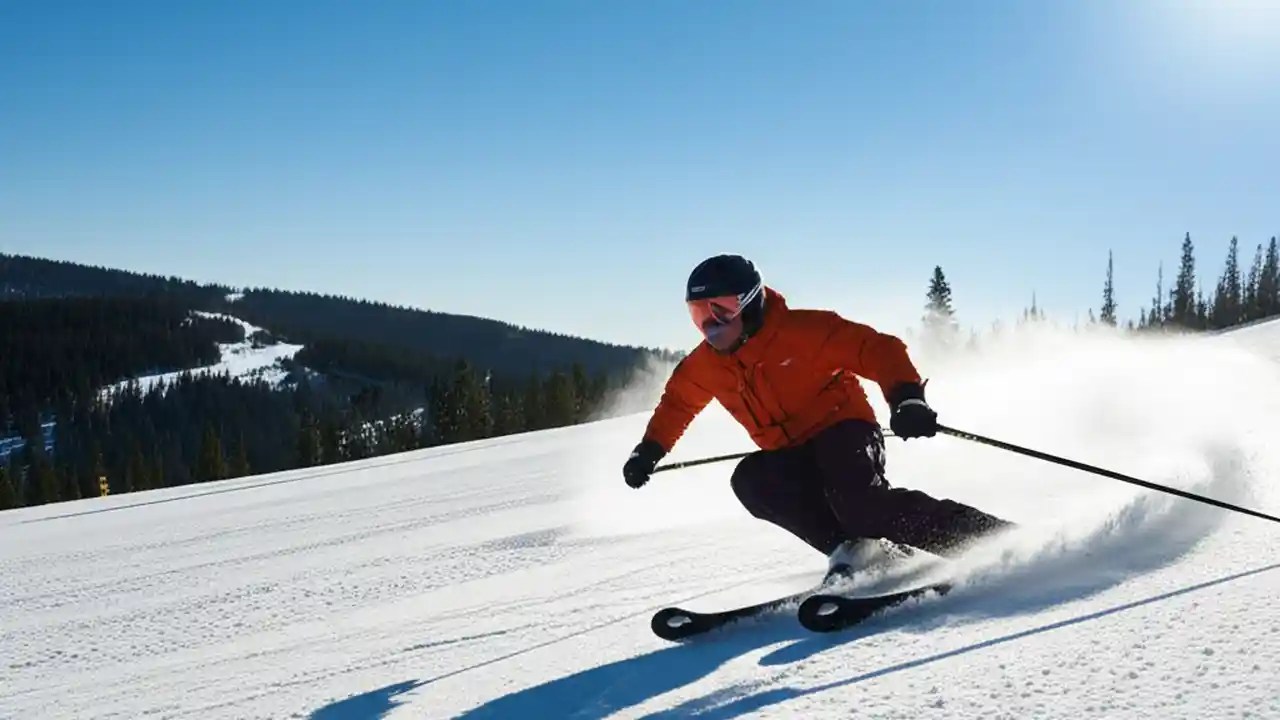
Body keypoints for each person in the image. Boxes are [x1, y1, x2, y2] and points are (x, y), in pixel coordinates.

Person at [622, 253, 1013, 572]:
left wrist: (906, 399)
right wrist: (648, 452)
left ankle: (991, 542)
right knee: (752, 480)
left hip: (845, 431)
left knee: (861, 505)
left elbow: (878, 350)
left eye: (720, 310)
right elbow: (678, 404)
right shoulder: (706, 364)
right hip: (788, 453)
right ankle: (857, 551)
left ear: (751, 302)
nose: (710, 325)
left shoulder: (805, 331)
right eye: (698, 314)